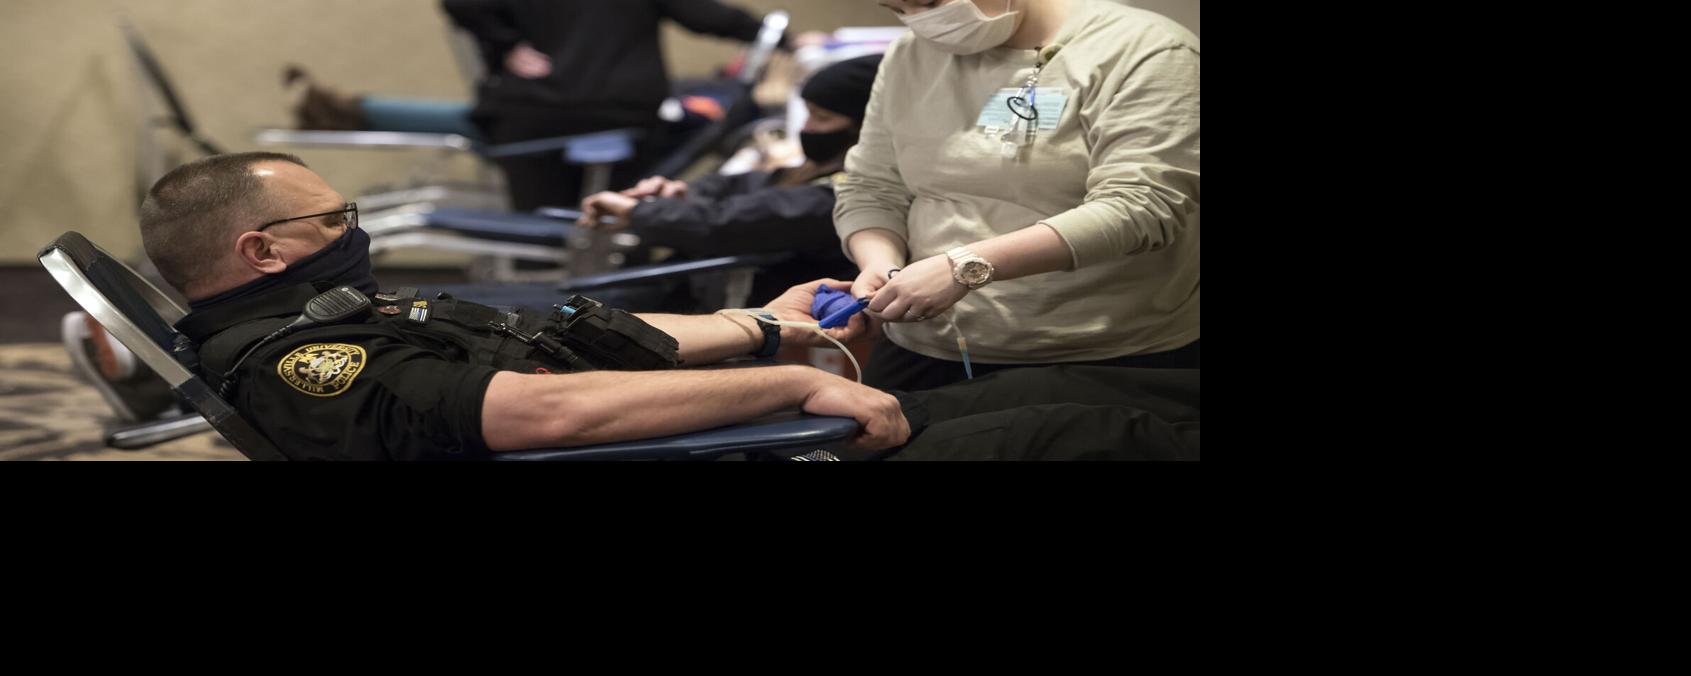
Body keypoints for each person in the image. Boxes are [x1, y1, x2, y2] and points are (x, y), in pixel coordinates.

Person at [138, 152, 1199, 460]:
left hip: (739, 416)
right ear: (259, 248)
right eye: (335, 218)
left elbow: (579, 341)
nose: (353, 229)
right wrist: (787, 380)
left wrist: (772, 322)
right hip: (716, 447)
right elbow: (545, 413)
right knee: (1089, 429)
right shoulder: (301, 360)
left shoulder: (334, 312)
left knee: (1080, 381)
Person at [834, 0, 1200, 392]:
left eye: (930, 2)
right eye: (896, 7)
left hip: (1103, 356)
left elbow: (1141, 205)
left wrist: (967, 267)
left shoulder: (1148, 50)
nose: (921, 19)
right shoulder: (910, 55)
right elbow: (871, 185)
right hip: (925, 348)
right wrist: (879, 262)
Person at [440, 0, 810, 211]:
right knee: (623, 210)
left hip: (533, 114)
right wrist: (787, 39)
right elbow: (704, 15)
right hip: (622, 112)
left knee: (540, 224)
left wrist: (506, 44)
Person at [576, 54, 885, 301]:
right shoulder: (817, 168)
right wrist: (681, 193)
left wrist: (638, 211)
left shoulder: (850, 196)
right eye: (807, 113)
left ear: (864, 127)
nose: (807, 127)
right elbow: (748, 185)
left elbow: (725, 222)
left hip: (744, 309)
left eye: (823, 118)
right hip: (703, 291)